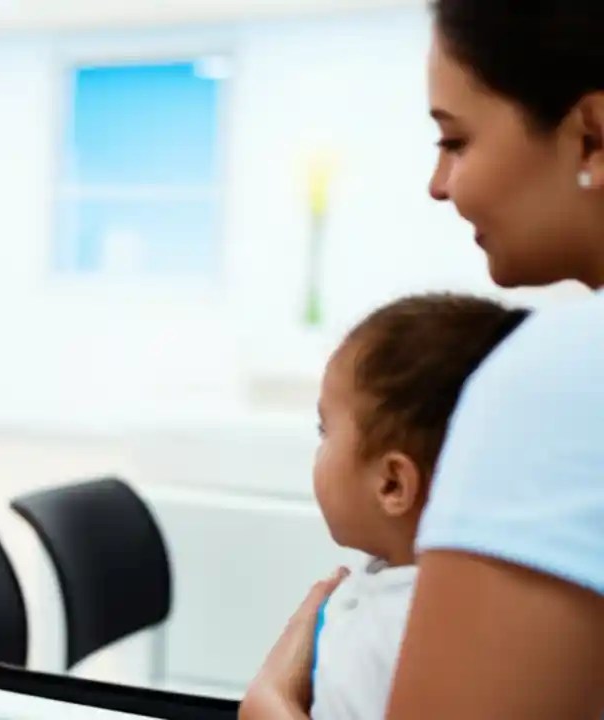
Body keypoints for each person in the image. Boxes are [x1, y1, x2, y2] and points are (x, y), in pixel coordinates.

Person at [242, 1, 604, 717]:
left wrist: (270, 709)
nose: (440, 185)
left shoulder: (561, 371)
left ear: (590, 137)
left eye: (456, 141)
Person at [309, 293, 527, 720]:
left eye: (324, 430)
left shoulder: (408, 634)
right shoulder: (498, 606)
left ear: (392, 484)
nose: (317, 449)